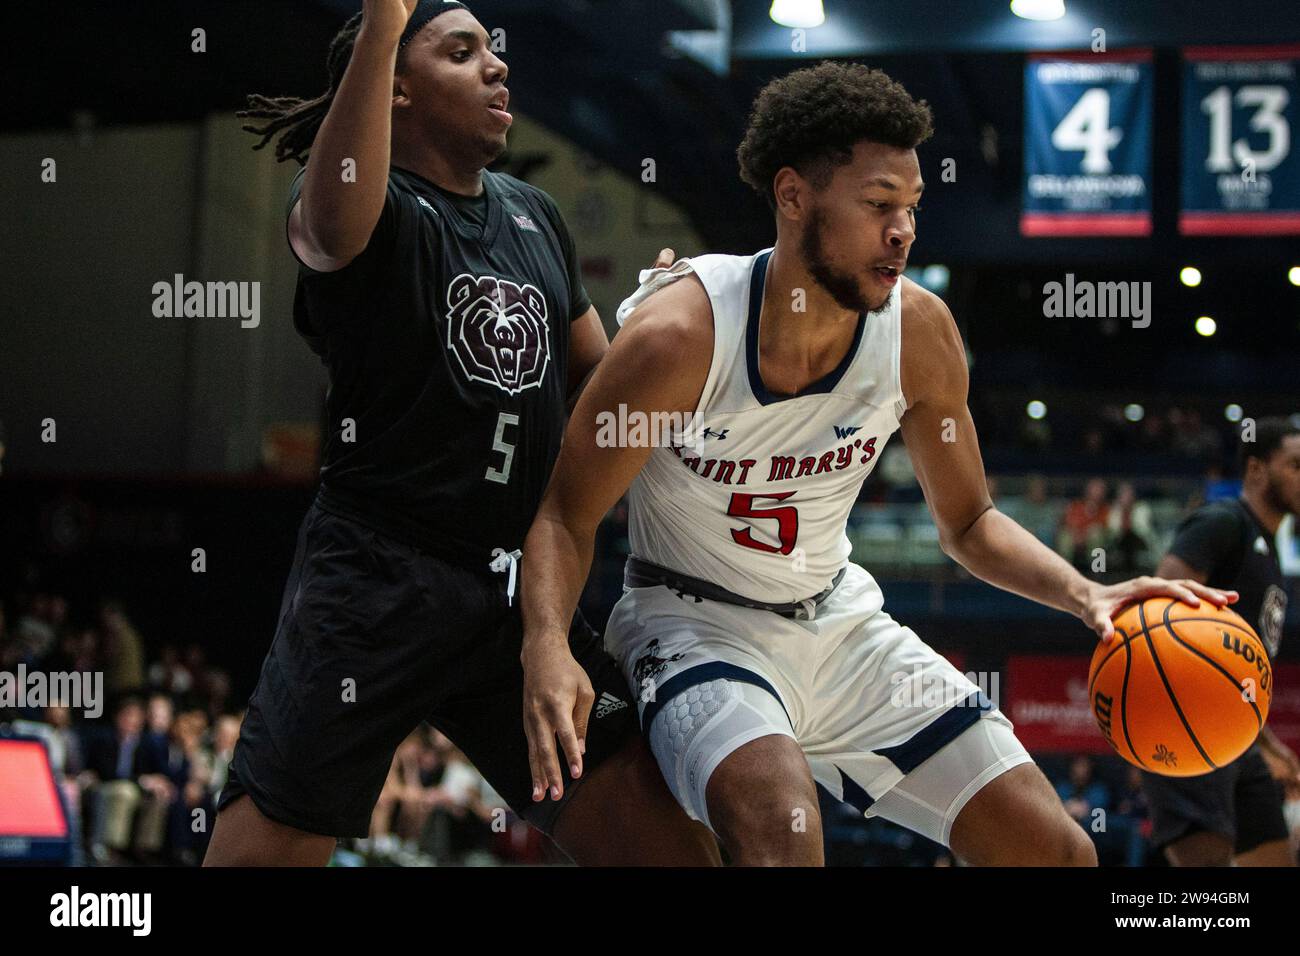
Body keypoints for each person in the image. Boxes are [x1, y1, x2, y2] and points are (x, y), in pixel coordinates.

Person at [518, 61, 1233, 866]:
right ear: (793, 197)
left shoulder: (919, 334)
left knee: (1058, 853)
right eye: (878, 205)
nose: (904, 231)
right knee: (782, 832)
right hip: (695, 627)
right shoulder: (681, 338)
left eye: (913, 208)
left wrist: (1086, 593)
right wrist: (545, 641)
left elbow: (969, 522)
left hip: (841, 623)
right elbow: (565, 514)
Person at [203, 0, 716, 866]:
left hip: (518, 589)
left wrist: (664, 325)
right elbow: (330, 224)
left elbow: (597, 375)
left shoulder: (534, 215)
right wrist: (381, 22)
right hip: (376, 582)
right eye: (461, 51)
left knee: (665, 840)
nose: (497, 65)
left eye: (493, 49)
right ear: (397, 91)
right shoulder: (366, 209)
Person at [1141, 417, 1300, 866]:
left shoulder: (1268, 549)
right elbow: (1157, 609)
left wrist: (1269, 745)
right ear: (1256, 470)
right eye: (1295, 466)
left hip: (1236, 734)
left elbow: (1239, 675)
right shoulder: (1224, 521)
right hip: (1185, 721)